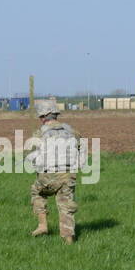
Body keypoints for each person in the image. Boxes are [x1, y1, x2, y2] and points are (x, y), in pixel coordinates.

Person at [27, 100, 81, 244]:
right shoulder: (71, 131)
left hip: (49, 176)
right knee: (66, 206)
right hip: (69, 175)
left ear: (43, 117)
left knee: (37, 192)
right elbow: (80, 149)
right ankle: (69, 239)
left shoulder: (39, 133)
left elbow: (34, 154)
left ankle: (42, 225)